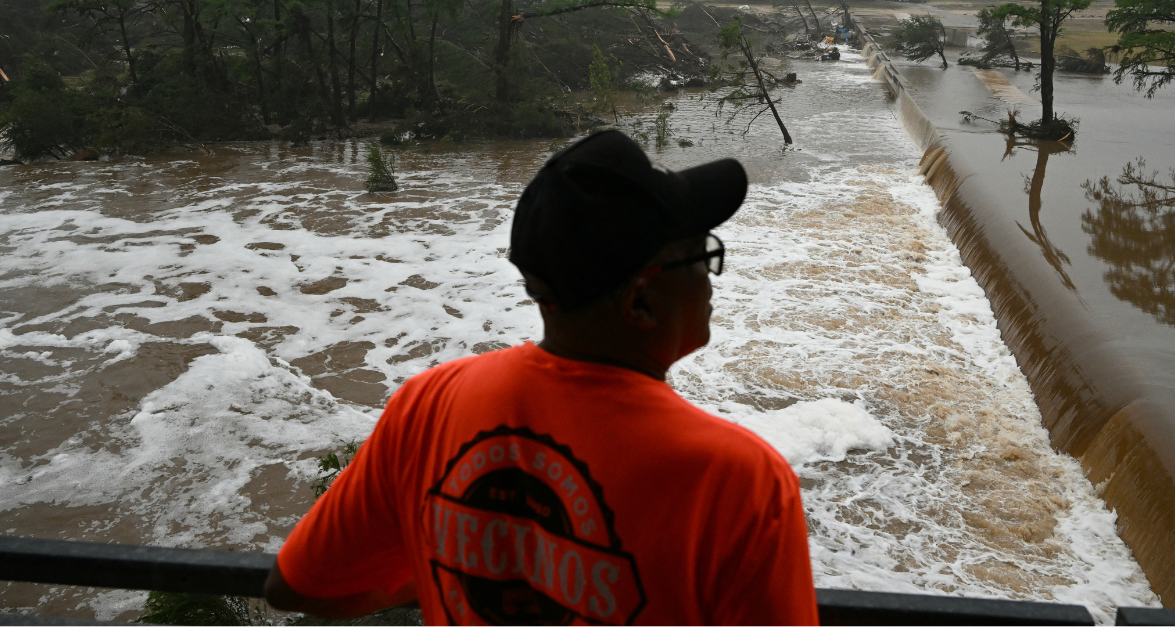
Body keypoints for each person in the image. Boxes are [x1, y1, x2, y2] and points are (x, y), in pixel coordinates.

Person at [264, 129, 818, 625]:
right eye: (702, 255)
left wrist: (449, 573)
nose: (710, 279)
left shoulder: (428, 403)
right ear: (641, 302)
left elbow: (298, 587)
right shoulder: (736, 479)